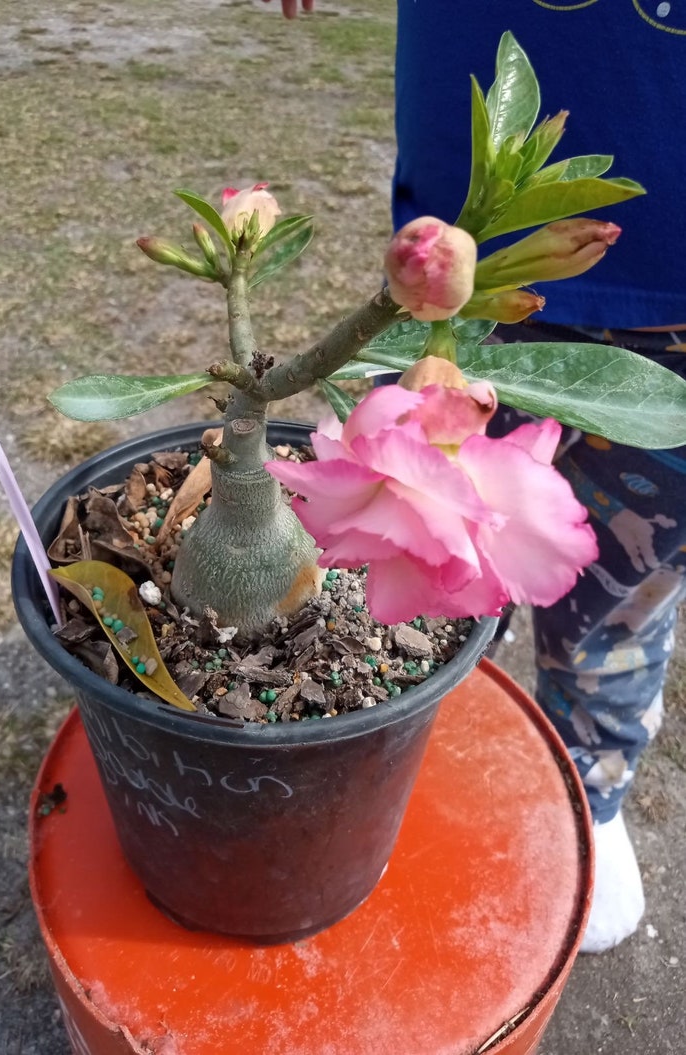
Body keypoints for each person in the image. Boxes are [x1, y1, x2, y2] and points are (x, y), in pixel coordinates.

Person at [264, 0, 686, 953]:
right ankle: (414, 747)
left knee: (625, 584)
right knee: (400, 561)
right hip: (460, 235)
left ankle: (592, 782)